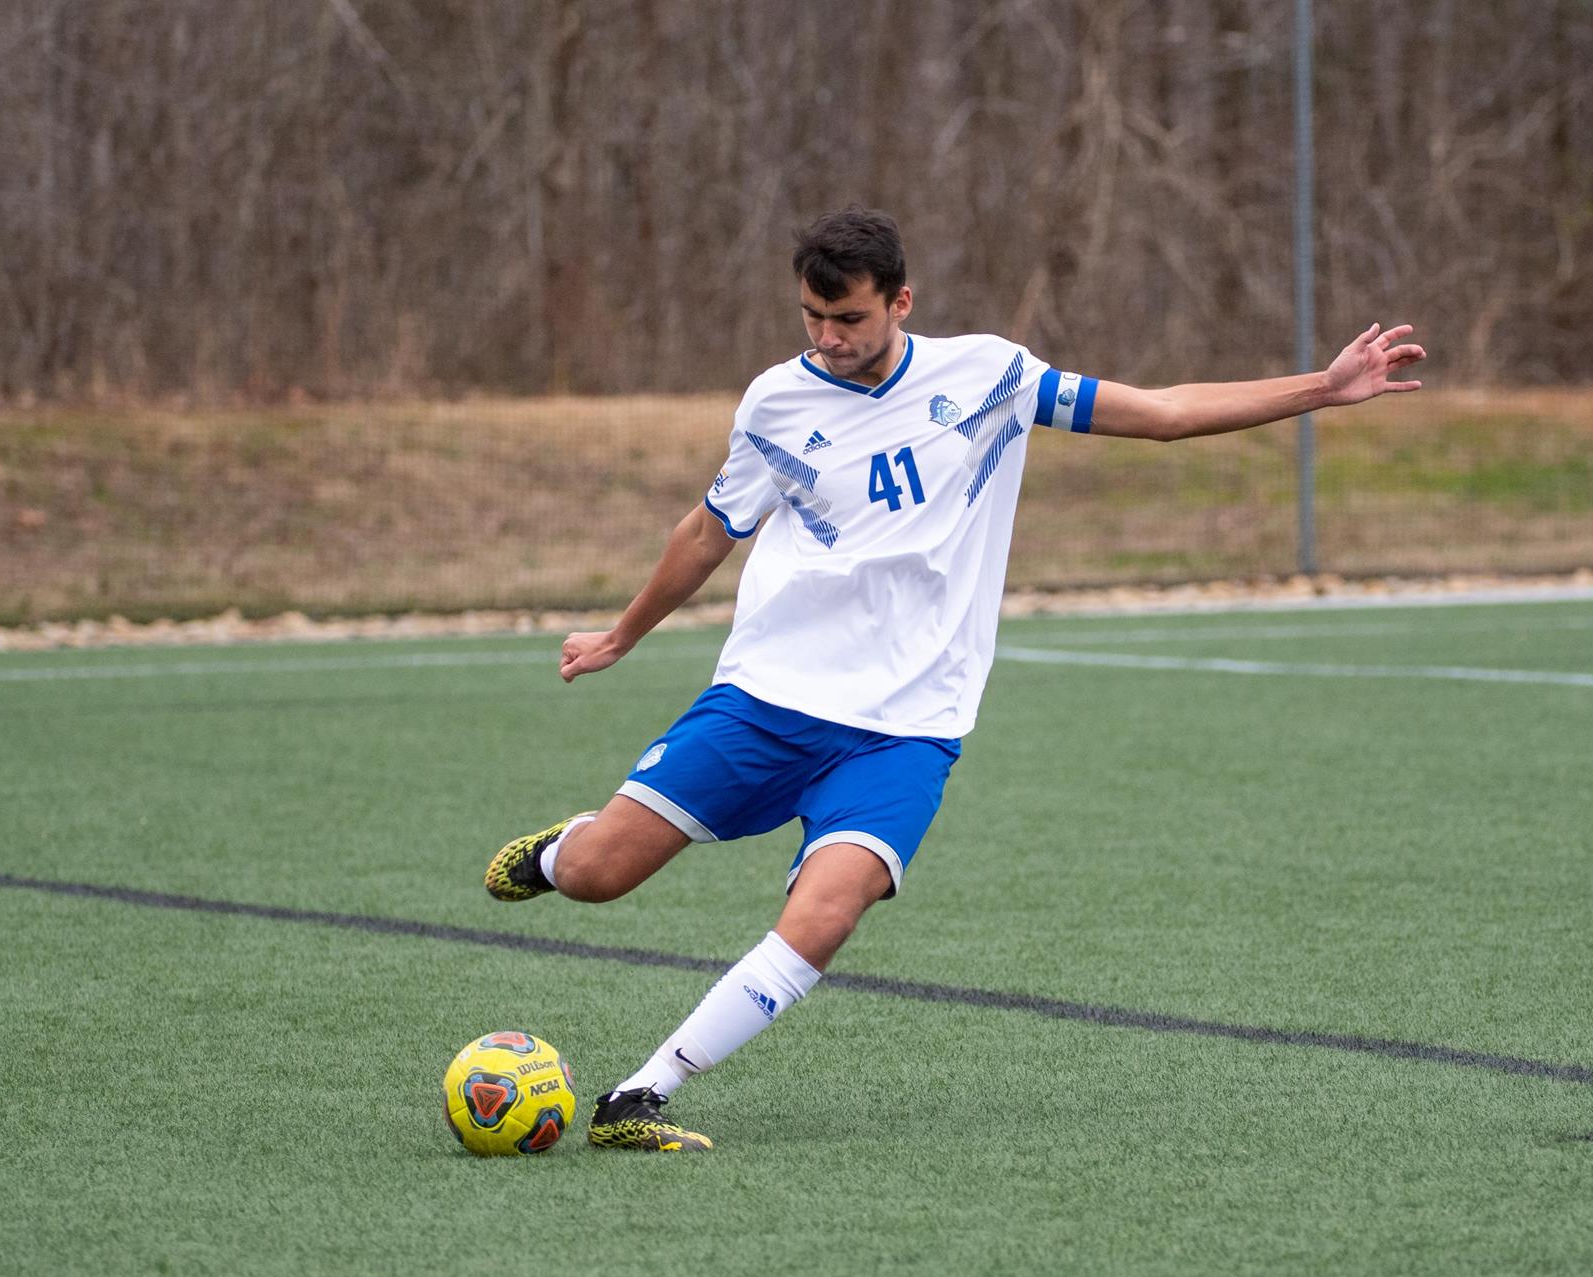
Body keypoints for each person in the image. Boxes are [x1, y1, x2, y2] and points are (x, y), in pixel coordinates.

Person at [485, 206, 1425, 1151]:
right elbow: (706, 531)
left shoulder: (990, 378)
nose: (827, 338)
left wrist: (1326, 387)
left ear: (901, 301)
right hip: (770, 697)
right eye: (812, 316)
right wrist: (622, 634)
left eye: (848, 318)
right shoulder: (775, 403)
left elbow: (1166, 412)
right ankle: (564, 851)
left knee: (826, 912)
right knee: (603, 875)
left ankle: (641, 1094)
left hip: (908, 724)